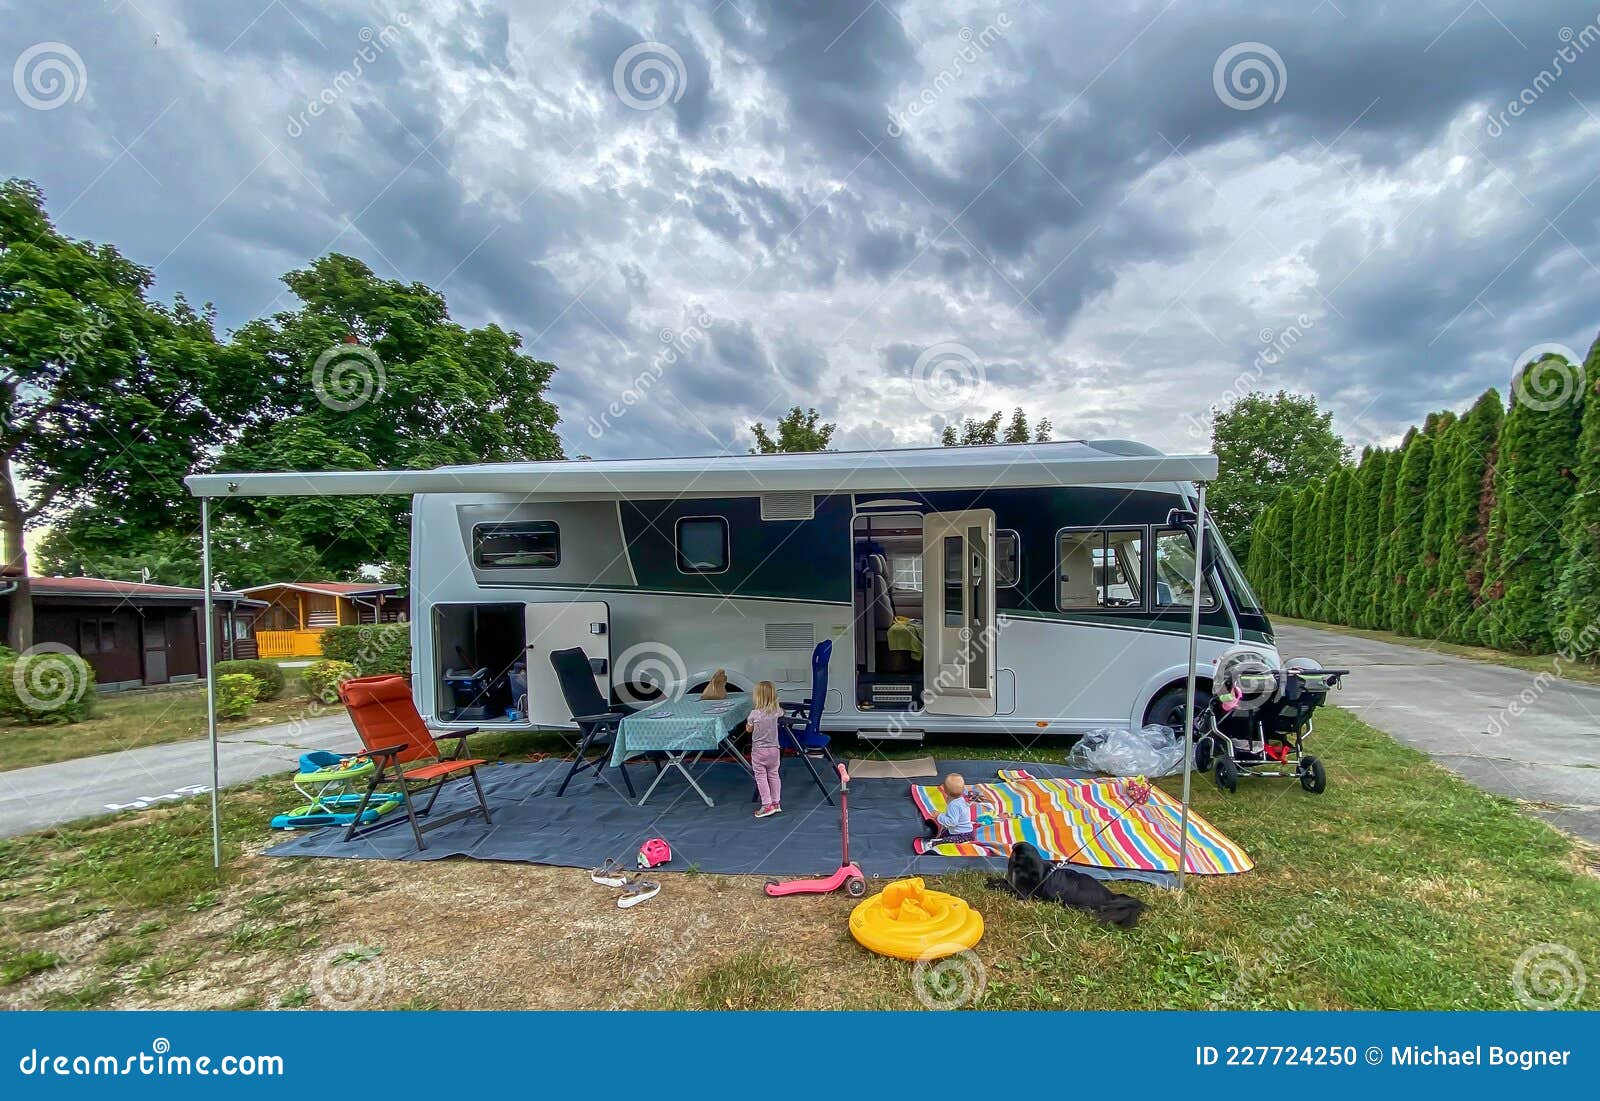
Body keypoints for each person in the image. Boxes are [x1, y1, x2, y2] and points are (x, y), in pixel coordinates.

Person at [746, 680, 783, 818]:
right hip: (774, 750)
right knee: (774, 774)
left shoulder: (754, 714)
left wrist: (750, 725)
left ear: (758, 697)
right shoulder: (776, 712)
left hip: (759, 751)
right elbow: (782, 712)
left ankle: (766, 805)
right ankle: (776, 802)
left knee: (761, 777)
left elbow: (748, 729)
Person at [930, 773, 977, 843]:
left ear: (945, 791)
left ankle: (933, 844)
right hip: (968, 832)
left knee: (942, 841)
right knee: (943, 832)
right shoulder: (963, 799)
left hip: (961, 835)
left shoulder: (954, 805)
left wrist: (939, 816)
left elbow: (952, 822)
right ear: (963, 788)